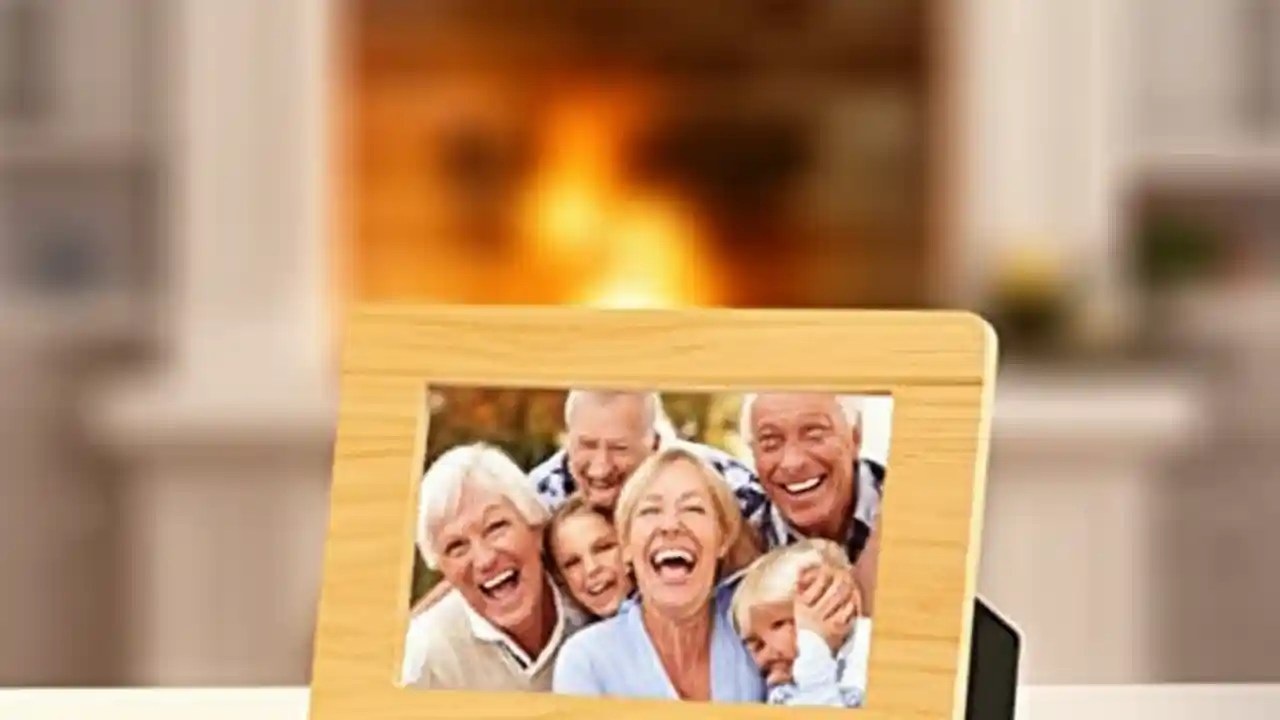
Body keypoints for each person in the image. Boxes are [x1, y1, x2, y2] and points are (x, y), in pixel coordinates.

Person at [552, 447, 855, 702]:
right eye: (650, 511)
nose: (671, 525)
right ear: (627, 548)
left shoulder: (759, 625)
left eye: (693, 509)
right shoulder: (586, 660)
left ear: (722, 538)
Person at [401, 443, 586, 691]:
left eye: (496, 527)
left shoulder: (590, 606)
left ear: (536, 527)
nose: (485, 559)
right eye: (457, 547)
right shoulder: (426, 658)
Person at [530, 390, 768, 528]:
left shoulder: (733, 489)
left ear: (654, 443)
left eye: (619, 448)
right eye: (587, 445)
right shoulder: (536, 502)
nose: (600, 468)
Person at [738, 392, 886, 615]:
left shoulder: (913, 512)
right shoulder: (737, 538)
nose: (792, 462)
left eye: (814, 436)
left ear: (855, 438)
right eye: (771, 443)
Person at [731, 539, 872, 708]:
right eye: (756, 645)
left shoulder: (863, 652)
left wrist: (813, 645)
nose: (765, 655)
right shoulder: (782, 695)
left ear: (833, 606)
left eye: (779, 624)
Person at [544, 495, 633, 620]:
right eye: (573, 563)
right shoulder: (578, 638)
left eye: (603, 549)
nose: (591, 568)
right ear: (560, 578)